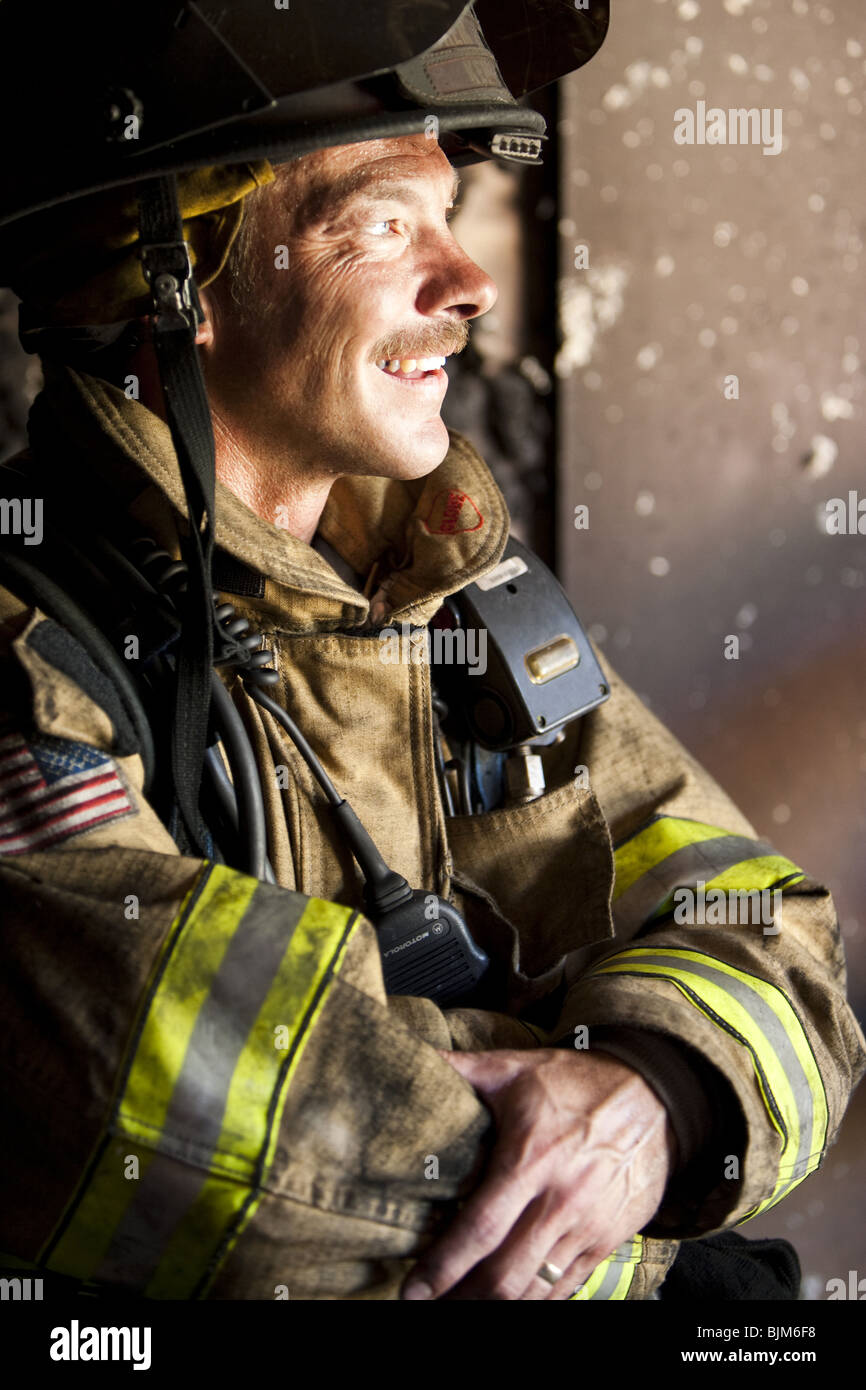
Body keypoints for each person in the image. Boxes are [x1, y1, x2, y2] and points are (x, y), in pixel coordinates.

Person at [0, 0, 863, 1303]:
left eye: (449, 220)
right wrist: (648, 1223)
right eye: (383, 223)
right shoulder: (35, 660)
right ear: (172, 283)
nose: (469, 286)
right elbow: (254, 1160)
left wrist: (653, 1096)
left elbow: (766, 926)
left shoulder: (449, 596)